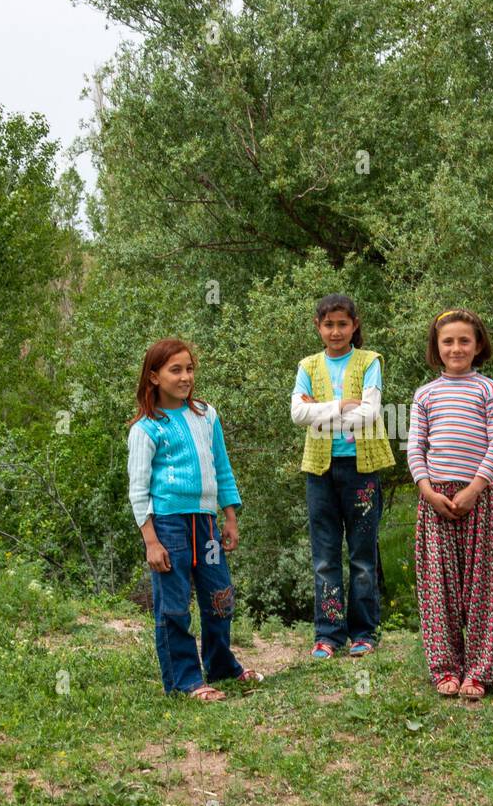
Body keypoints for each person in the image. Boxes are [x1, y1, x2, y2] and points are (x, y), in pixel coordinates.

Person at [127, 338, 261, 701]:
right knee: (173, 606)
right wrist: (151, 541)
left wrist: (229, 517)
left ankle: (221, 665)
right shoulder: (146, 429)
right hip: (169, 527)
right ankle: (184, 680)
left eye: (189, 369)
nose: (185, 377)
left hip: (207, 527)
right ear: (154, 377)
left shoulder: (206, 414)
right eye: (175, 370)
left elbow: (222, 467)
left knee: (220, 596)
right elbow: (138, 491)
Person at [406, 308, 493, 700]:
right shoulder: (425, 394)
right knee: (439, 590)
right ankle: (446, 668)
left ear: (478, 344)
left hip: (477, 499)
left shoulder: (490, 390)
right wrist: (428, 490)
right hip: (435, 501)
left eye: (464, 340)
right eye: (447, 341)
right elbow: (416, 448)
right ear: (437, 346)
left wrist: (475, 489)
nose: (456, 347)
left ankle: (480, 672)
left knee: (483, 589)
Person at [290, 294, 396, 659]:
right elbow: (296, 415)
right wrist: (338, 406)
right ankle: (329, 634)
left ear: (354, 325)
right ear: (318, 327)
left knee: (363, 554)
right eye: (328, 324)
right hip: (319, 470)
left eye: (342, 324)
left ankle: (364, 632)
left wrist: (318, 412)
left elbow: (368, 413)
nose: (335, 331)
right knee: (324, 555)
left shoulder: (369, 362)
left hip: (361, 468)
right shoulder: (308, 365)